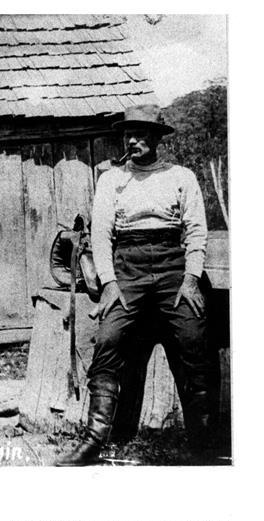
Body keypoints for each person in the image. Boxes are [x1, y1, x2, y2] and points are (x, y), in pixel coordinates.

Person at [56, 104, 216, 466]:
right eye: (129, 134)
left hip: (173, 266)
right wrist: (110, 283)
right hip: (128, 268)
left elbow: (195, 230)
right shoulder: (112, 180)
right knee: (109, 339)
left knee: (194, 341)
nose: (134, 139)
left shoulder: (182, 176)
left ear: (158, 138)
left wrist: (191, 279)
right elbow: (101, 234)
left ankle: (204, 445)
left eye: (143, 133)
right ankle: (95, 440)